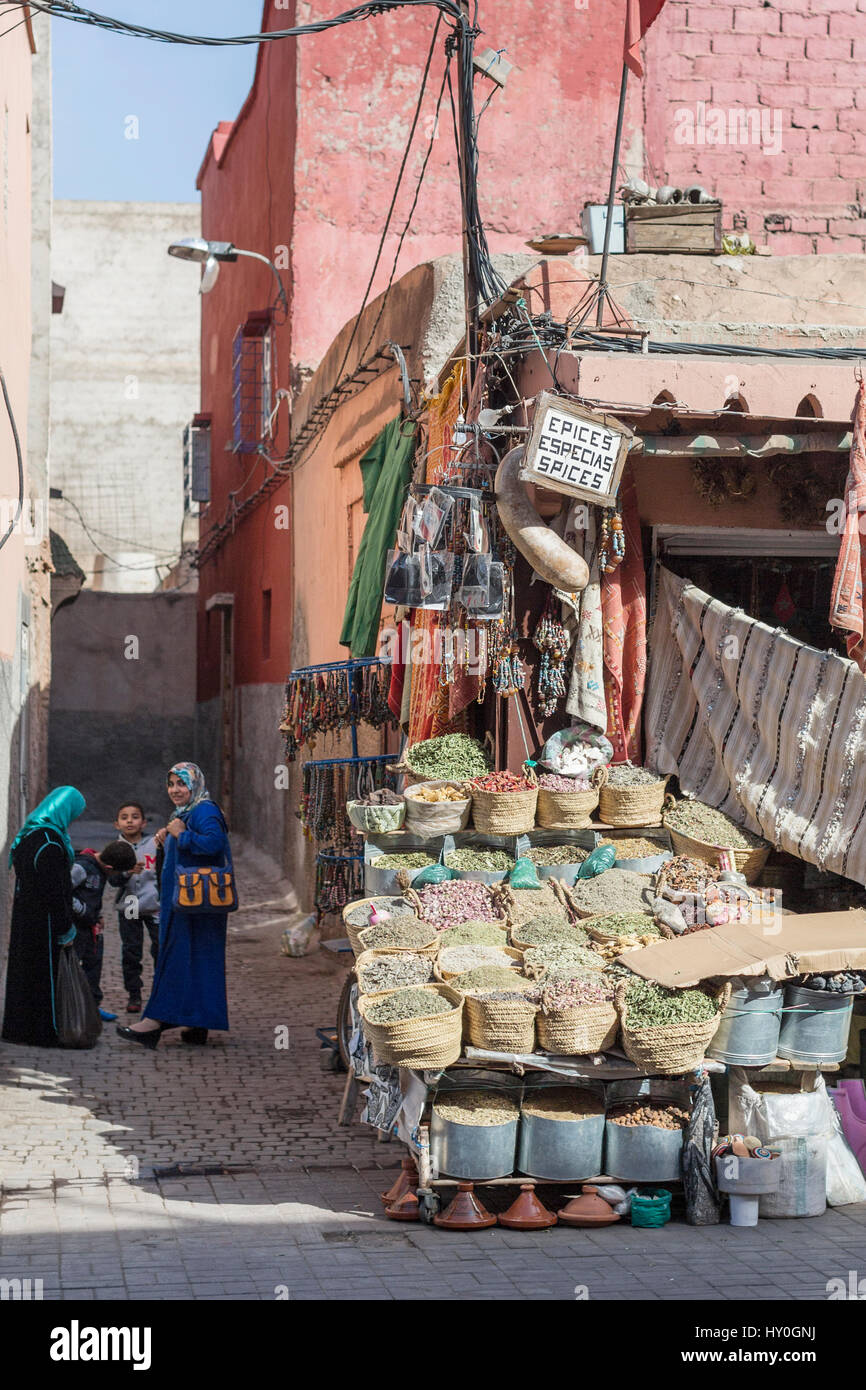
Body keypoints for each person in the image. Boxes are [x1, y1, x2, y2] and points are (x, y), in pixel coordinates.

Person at [116, 762, 231, 1051]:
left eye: (181, 783)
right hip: (191, 905)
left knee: (176, 958)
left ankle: (155, 1021)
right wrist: (168, 837)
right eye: (171, 784)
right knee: (198, 960)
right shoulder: (188, 812)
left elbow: (214, 843)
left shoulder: (204, 810)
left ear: (194, 785)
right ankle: (197, 1023)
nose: (175, 790)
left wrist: (181, 834)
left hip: (193, 905)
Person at [2, 786, 86, 1047]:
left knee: (24, 973)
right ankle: (43, 1032)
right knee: (44, 976)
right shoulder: (50, 841)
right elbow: (56, 891)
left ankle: (19, 1029)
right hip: (45, 921)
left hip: (25, 915)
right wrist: (66, 929)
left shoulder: (29, 835)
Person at [71, 841, 137, 1020]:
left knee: (93, 964)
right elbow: (62, 892)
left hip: (91, 927)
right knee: (73, 966)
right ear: (108, 867)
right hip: (76, 927)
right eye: (114, 872)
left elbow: (93, 895)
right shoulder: (81, 868)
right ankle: (72, 1009)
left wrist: (97, 914)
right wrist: (83, 910)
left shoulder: (100, 869)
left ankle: (92, 1007)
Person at [111, 801, 160, 1013]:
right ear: (117, 824)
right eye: (124, 817)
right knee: (132, 950)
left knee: (160, 947)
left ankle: (161, 993)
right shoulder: (116, 849)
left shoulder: (155, 844)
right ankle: (134, 994)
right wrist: (127, 872)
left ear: (143, 822)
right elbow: (112, 880)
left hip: (154, 902)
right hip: (130, 902)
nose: (129, 820)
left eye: (134, 817)